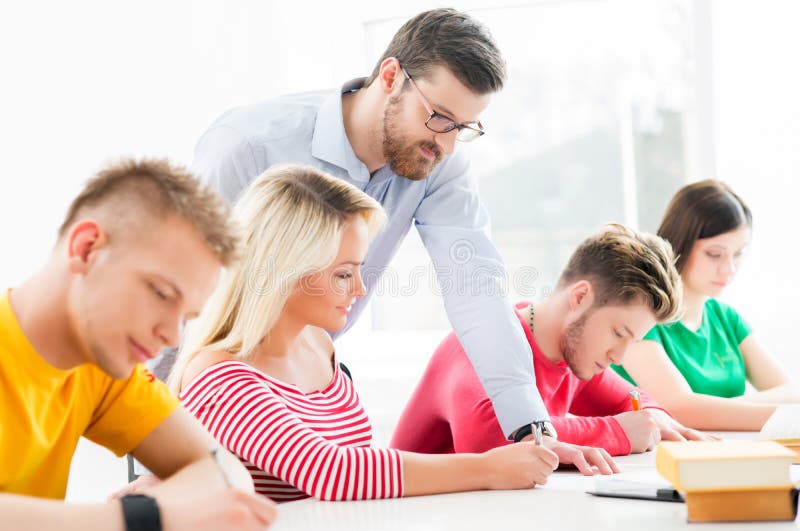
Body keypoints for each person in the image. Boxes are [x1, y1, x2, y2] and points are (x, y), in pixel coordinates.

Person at [187, 6, 604, 472]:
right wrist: (161, 455)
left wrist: (533, 431)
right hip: (218, 399)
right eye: (441, 117)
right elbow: (185, 295)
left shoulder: (438, 162)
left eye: (464, 128)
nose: (446, 145)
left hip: (313, 382)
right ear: (390, 76)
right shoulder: (247, 146)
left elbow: (476, 288)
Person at [168, 164, 559, 502]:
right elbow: (330, 472)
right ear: (284, 273)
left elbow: (362, 471)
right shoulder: (218, 377)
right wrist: (486, 470)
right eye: (343, 274)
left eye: (358, 269)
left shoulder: (317, 345)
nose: (359, 289)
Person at [0, 159, 277, 531]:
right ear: (86, 249)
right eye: (162, 294)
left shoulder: (103, 367)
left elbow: (222, 472)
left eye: (186, 317)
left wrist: (158, 506)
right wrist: (146, 517)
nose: (172, 337)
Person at [391, 224, 710, 465]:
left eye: (633, 341)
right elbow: (491, 438)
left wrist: (651, 417)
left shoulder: (574, 355)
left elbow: (634, 401)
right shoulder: (486, 336)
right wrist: (616, 432)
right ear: (581, 297)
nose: (619, 356)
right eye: (617, 332)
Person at [612, 180, 799, 430]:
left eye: (738, 253)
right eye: (714, 254)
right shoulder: (643, 317)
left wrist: (723, 408)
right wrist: (733, 410)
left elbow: (790, 391)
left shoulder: (725, 317)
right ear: (680, 244)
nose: (729, 269)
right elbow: (679, 409)